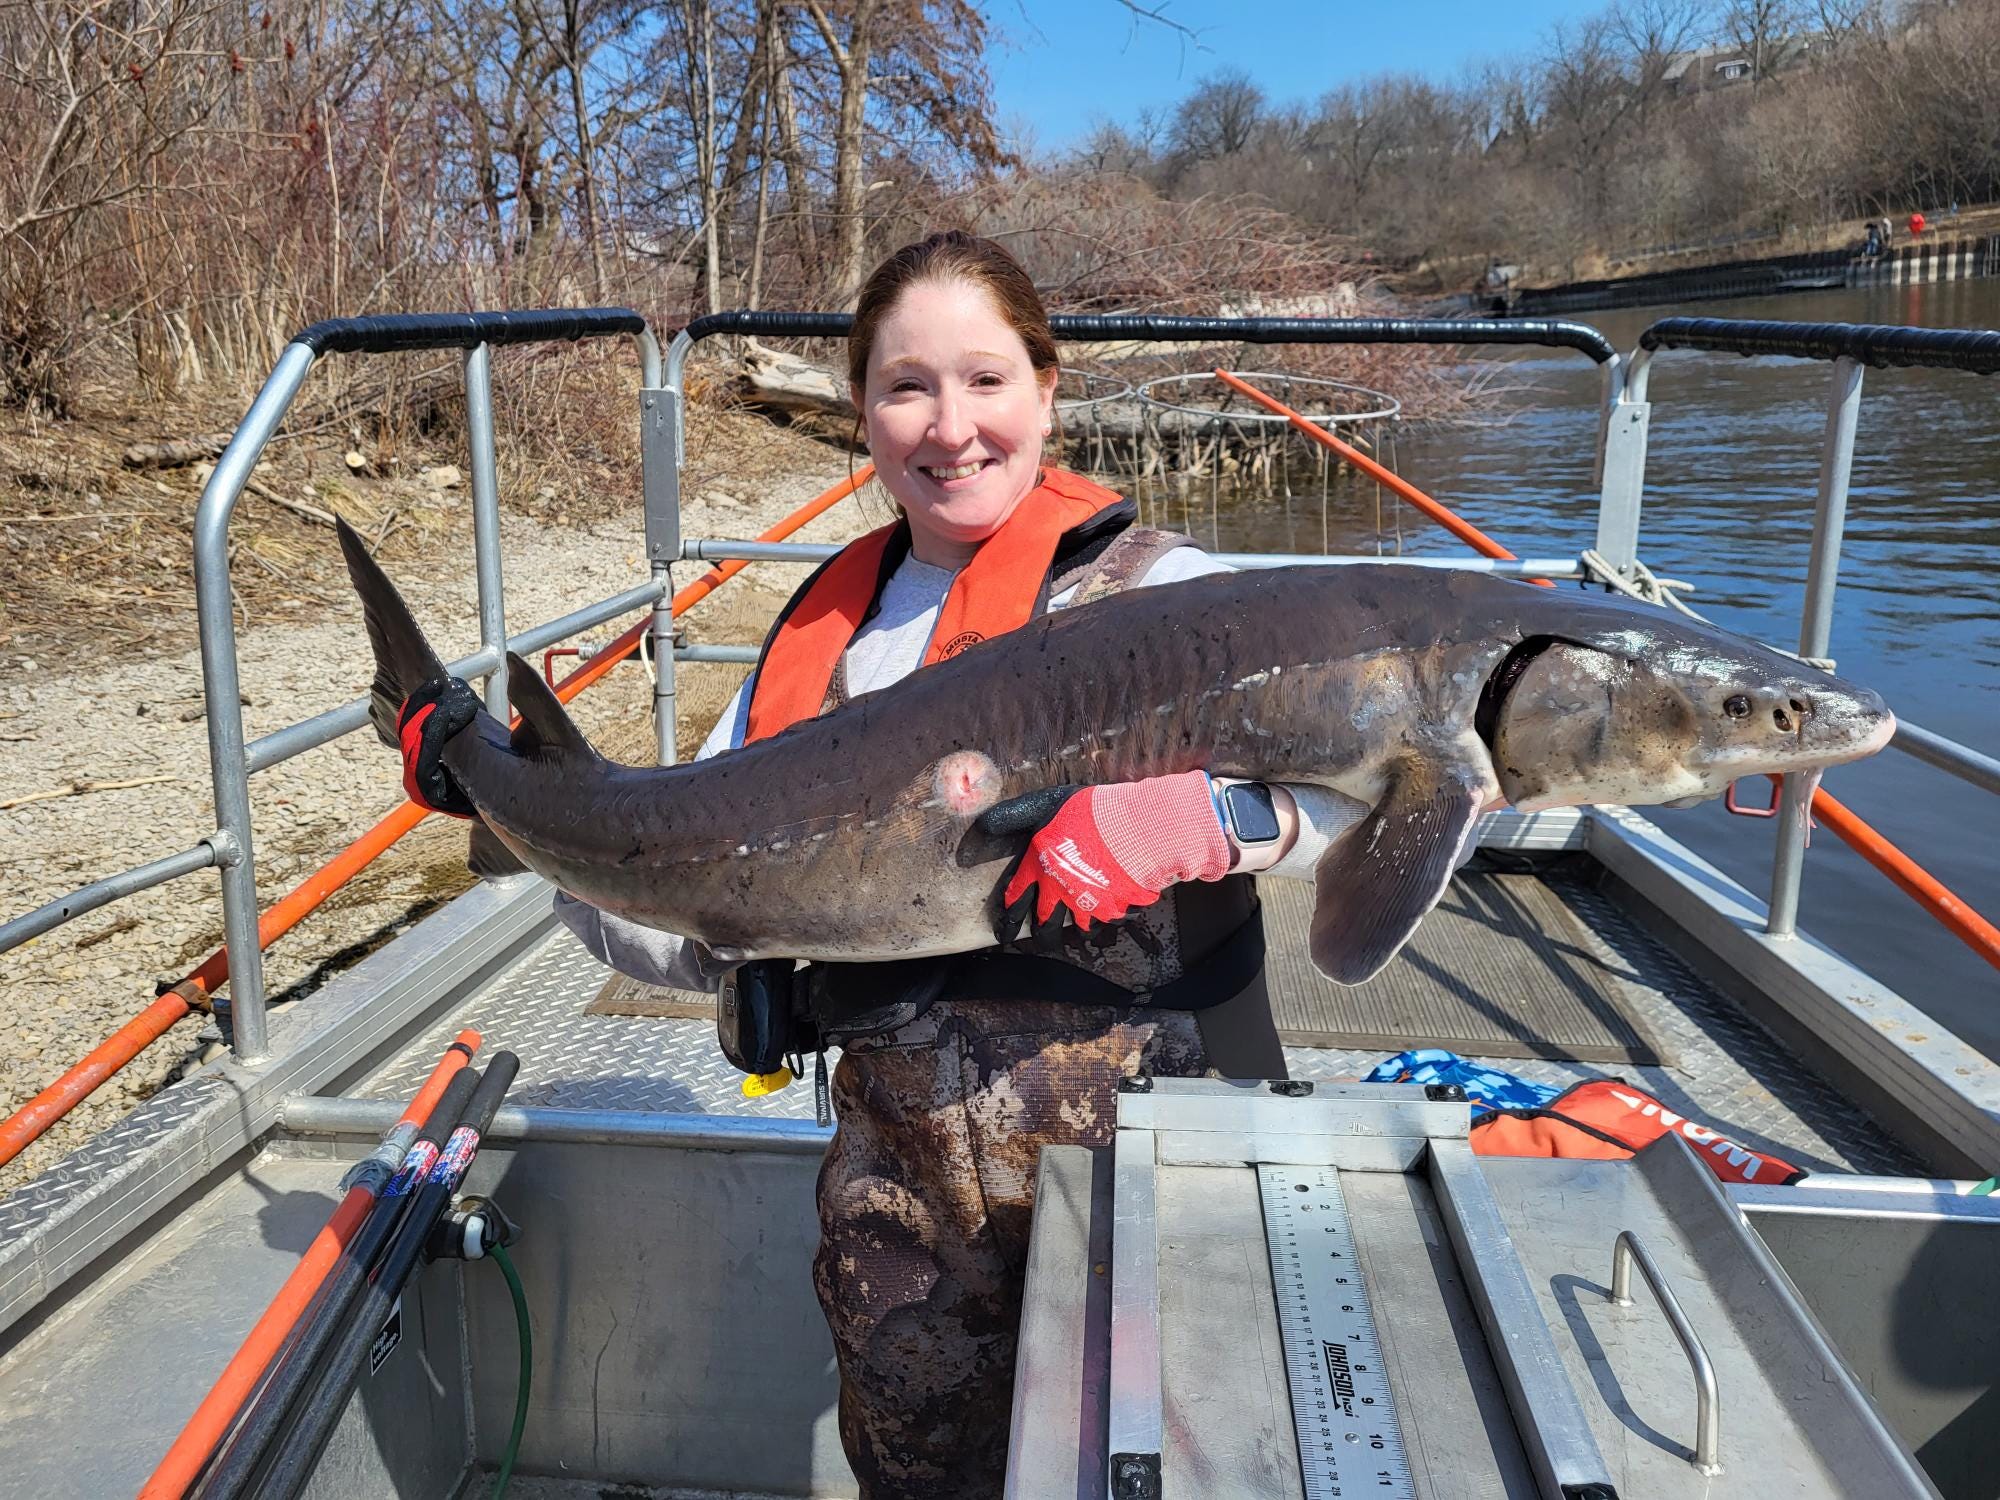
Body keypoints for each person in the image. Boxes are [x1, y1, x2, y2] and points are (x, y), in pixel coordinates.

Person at [405, 230, 1365, 1498]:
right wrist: (528, 824)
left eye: (985, 380)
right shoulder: (812, 645)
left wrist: (1224, 824)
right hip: (900, 1193)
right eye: (906, 386)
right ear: (859, 412)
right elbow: (681, 927)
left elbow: (1388, 802)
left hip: (1155, 1151)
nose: (950, 426)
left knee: (1178, 1463)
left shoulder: (1175, 593)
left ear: (1047, 389)